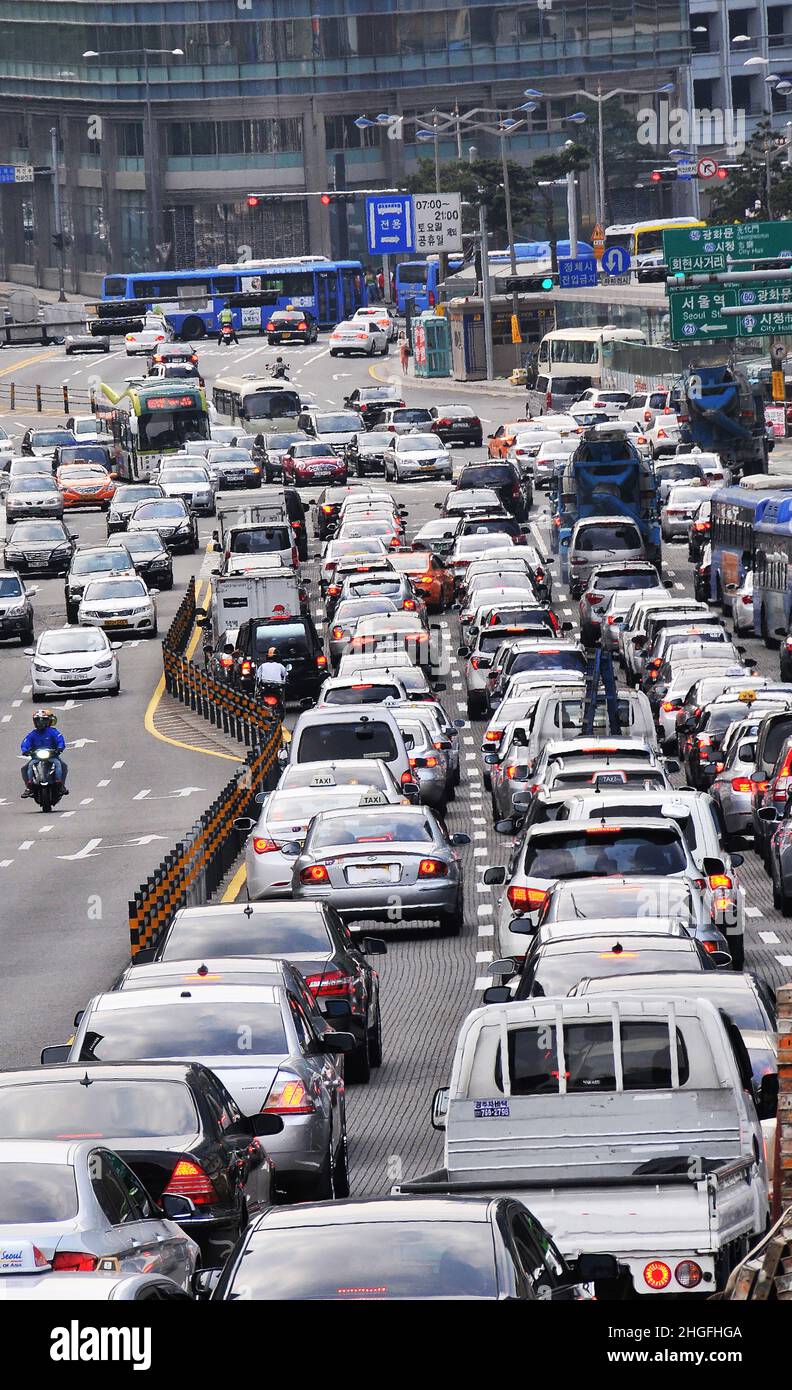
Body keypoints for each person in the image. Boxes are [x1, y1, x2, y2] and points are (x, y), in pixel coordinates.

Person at [20, 709, 68, 798]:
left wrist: (59, 748)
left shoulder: (53, 732)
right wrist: (25, 750)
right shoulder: (32, 734)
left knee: (61, 765)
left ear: (48, 721)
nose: (40, 723)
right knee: (26, 767)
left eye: (43, 721)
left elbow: (60, 740)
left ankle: (60, 784)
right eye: (37, 721)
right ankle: (29, 786)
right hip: (36, 757)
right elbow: (25, 743)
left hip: (52, 756)